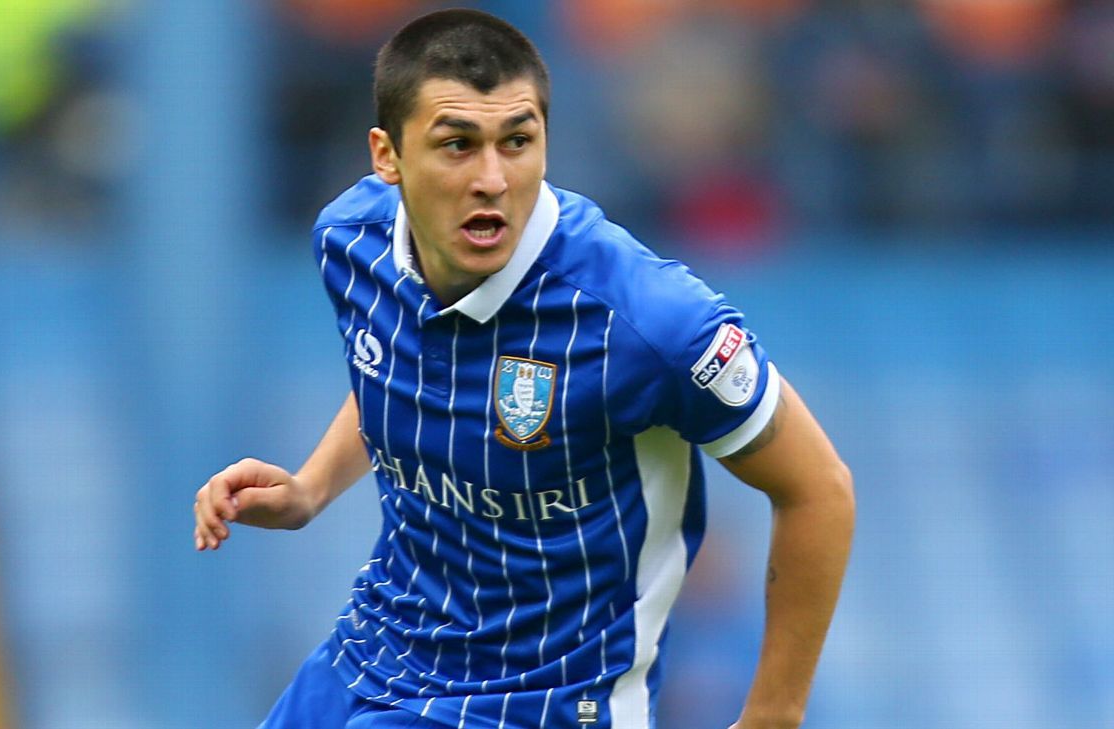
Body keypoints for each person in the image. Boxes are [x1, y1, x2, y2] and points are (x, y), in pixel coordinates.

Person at [193, 9, 854, 729]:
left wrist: (773, 715)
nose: (492, 179)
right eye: (457, 145)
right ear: (387, 157)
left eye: (517, 142)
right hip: (375, 650)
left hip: (540, 700)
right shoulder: (353, 243)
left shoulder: (647, 317)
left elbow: (819, 488)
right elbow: (398, 370)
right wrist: (309, 489)